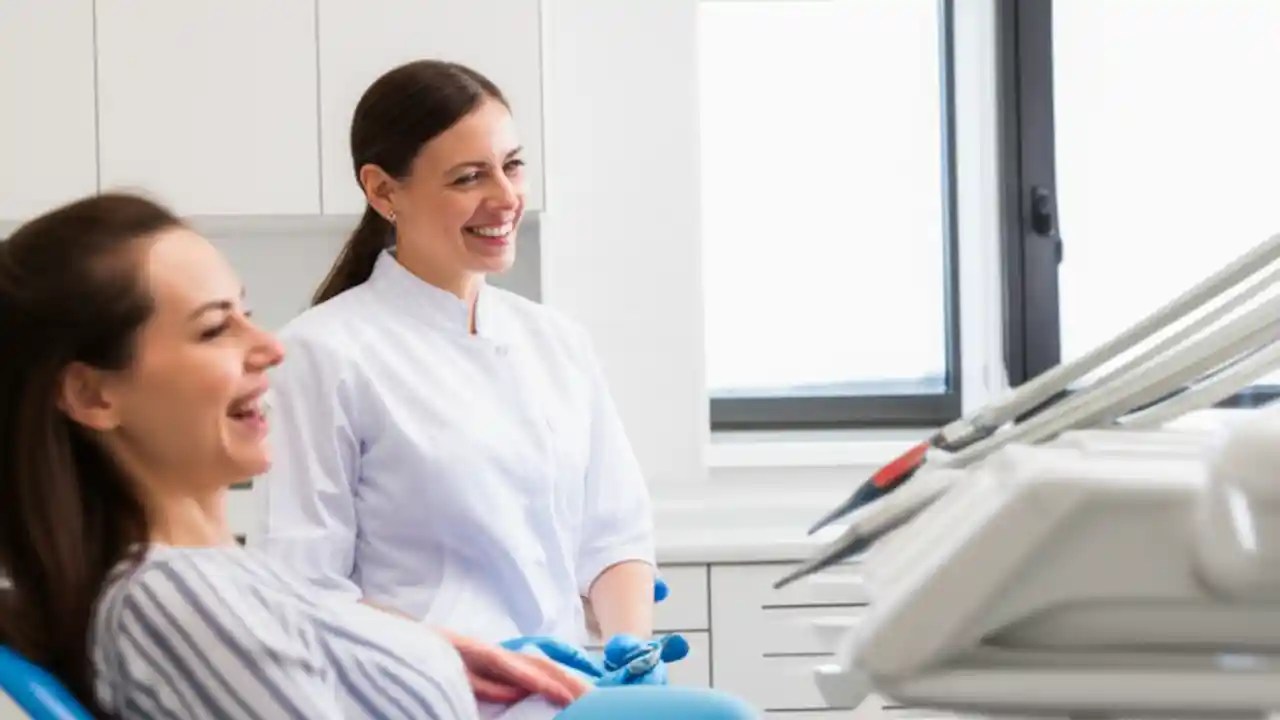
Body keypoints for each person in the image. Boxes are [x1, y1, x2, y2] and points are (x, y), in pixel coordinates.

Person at [0, 194, 757, 719]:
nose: (268, 348)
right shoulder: (180, 601)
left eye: (248, 315)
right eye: (212, 329)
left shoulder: (221, 584)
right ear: (95, 396)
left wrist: (414, 654)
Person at [252, 60, 659, 666]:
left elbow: (613, 533)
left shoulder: (557, 342)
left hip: (566, 693)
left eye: (512, 165)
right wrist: (477, 660)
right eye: (470, 177)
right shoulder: (321, 354)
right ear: (384, 189)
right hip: (412, 695)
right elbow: (303, 590)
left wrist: (628, 652)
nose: (506, 197)